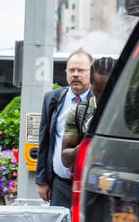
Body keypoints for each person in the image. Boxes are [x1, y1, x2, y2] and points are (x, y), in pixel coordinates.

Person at [36, 50, 93, 209]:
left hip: (88, 187)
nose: (75, 74)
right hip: (60, 185)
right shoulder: (53, 99)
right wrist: (42, 181)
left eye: (81, 70)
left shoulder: (100, 101)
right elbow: (45, 140)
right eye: (71, 70)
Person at [61, 56, 115, 170]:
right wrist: (85, 147)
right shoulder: (78, 112)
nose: (103, 96)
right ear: (91, 83)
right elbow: (65, 159)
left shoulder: (128, 112)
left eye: (109, 90)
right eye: (99, 90)